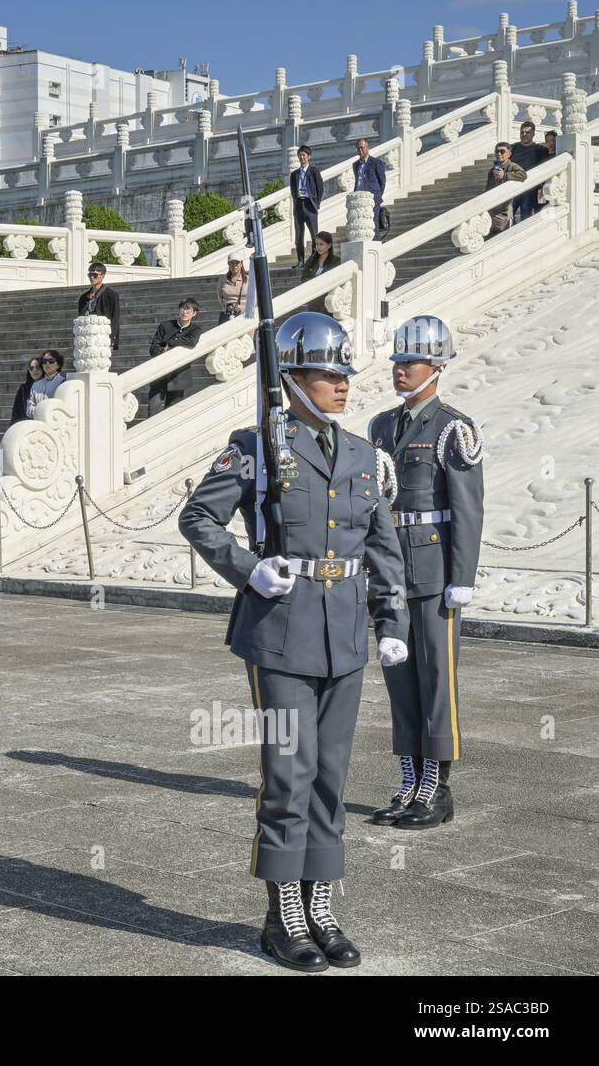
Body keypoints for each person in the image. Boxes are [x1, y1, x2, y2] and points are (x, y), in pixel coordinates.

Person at [179, 313, 409, 973]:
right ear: (294, 379)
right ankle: (283, 913)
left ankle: (322, 905)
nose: (342, 385)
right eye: (328, 374)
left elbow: (381, 549)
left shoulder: (364, 455)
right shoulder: (255, 447)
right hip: (281, 632)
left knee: (331, 777)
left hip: (345, 636)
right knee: (290, 772)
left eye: (343, 374)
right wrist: (247, 565)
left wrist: (391, 623)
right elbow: (197, 517)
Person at [367, 316, 483, 831]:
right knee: (400, 679)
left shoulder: (453, 428)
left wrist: (462, 576)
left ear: (436, 368)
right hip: (391, 568)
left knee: (437, 679)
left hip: (435, 571)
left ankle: (437, 787)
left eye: (409, 362)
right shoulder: (381, 427)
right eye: (396, 362)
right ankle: (410, 779)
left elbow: (467, 508)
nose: (400, 370)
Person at [148, 299, 205, 415]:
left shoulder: (195, 329)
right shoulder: (165, 325)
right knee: (153, 409)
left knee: (173, 412)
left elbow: (191, 342)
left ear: (194, 313)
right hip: (159, 373)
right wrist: (165, 350)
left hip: (179, 375)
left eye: (189, 310)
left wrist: (169, 343)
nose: (185, 312)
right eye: (183, 308)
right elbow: (153, 348)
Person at [290, 145, 324, 268]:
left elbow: (320, 187)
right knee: (299, 236)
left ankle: (315, 259)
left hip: (310, 206)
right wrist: (296, 201)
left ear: (308, 156)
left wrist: (317, 203)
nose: (301, 157)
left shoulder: (314, 171)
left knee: (314, 235)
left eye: (304, 155)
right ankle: (300, 261)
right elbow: (293, 191)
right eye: (300, 155)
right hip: (299, 206)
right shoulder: (294, 174)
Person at [509, 121, 549, 222]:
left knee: (525, 217)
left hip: (529, 190)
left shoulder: (539, 149)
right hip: (512, 188)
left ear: (533, 134)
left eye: (527, 132)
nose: (524, 135)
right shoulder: (513, 148)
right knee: (506, 217)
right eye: (522, 132)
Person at [77, 263, 121, 350]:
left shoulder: (111, 295)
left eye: (95, 275)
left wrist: (112, 340)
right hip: (86, 338)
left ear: (103, 275)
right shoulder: (83, 297)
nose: (92, 277)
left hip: (103, 337)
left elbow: (115, 318)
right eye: (90, 274)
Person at [486, 143, 528, 232]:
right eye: (497, 151)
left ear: (509, 153)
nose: (499, 154)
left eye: (502, 151)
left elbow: (523, 175)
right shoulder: (492, 170)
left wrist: (504, 175)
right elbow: (487, 189)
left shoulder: (512, 166)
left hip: (505, 208)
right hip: (493, 207)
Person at [351, 138, 386, 238]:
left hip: (372, 199)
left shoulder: (376, 162)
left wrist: (377, 195)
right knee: (360, 226)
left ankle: (376, 243)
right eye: (358, 149)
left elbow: (382, 182)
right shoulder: (356, 165)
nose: (360, 151)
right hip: (359, 200)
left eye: (362, 148)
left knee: (373, 225)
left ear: (368, 148)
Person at [26, 349, 65, 419]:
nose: (47, 363)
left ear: (58, 365)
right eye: (44, 361)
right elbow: (29, 409)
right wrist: (40, 413)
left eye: (51, 361)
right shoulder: (35, 385)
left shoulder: (63, 383)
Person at [11, 358, 42, 425]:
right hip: (26, 427)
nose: (34, 370)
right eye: (31, 368)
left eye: (37, 367)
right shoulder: (23, 388)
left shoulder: (49, 387)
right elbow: (16, 412)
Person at [217, 256, 248, 323]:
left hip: (246, 315)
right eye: (232, 263)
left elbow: (254, 297)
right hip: (228, 315)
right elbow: (220, 296)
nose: (234, 265)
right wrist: (225, 308)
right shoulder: (222, 279)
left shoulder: (248, 279)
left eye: (237, 263)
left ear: (241, 264)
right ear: (228, 264)